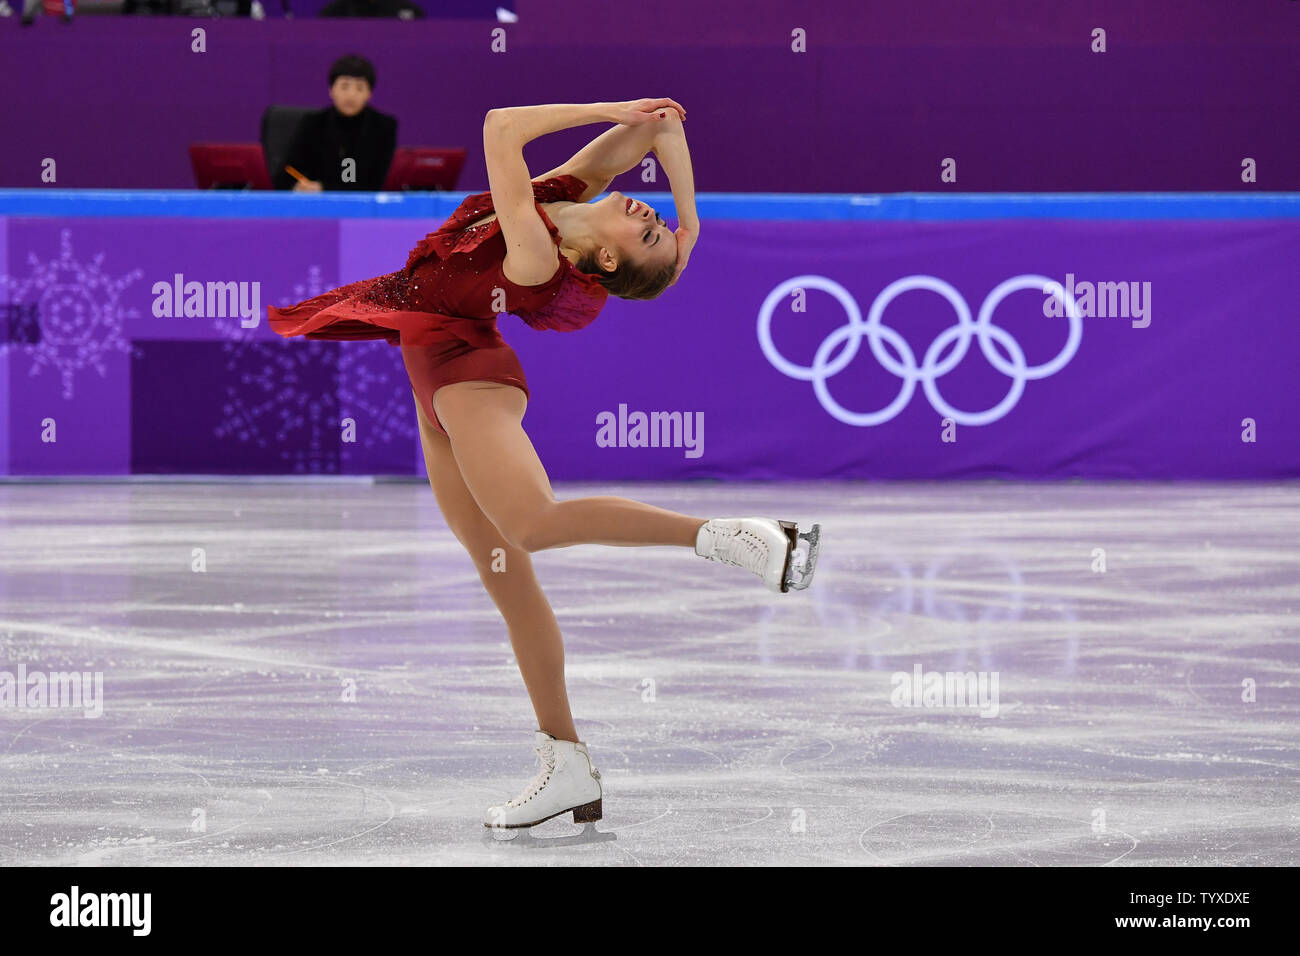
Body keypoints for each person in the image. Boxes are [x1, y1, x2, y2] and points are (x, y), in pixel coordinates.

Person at [268, 99, 820, 831]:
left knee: (531, 524)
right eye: (653, 219)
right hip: (431, 377)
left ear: (608, 260)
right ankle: (566, 764)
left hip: (467, 374)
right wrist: (689, 225)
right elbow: (661, 125)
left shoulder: (535, 251)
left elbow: (500, 126)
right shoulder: (565, 194)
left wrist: (609, 110)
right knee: (507, 578)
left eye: (648, 233)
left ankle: (731, 537)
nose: (648, 213)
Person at [273, 55, 397, 192]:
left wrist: (324, 188)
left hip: (361, 204)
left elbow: (374, 184)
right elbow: (287, 172)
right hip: (317, 203)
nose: (351, 95)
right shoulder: (313, 124)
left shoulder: (382, 128)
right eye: (344, 86)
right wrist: (298, 186)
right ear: (331, 90)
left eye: (359, 88)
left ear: (369, 94)